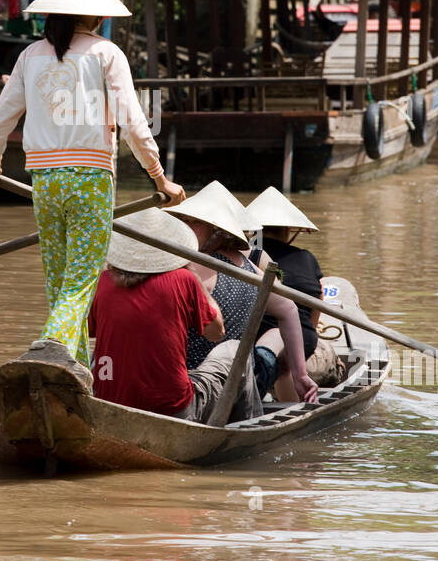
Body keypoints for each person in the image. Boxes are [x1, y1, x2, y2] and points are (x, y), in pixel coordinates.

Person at [0, 0, 185, 388]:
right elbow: (133, 121)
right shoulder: (107, 54)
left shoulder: (29, 55)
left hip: (45, 181)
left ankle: (73, 370)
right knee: (83, 277)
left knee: (58, 277)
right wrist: (159, 178)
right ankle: (51, 344)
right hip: (90, 177)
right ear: (96, 17)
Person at [88, 207, 262, 423]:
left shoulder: (103, 281)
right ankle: (249, 428)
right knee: (235, 348)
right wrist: (195, 276)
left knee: (99, 359)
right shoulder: (184, 279)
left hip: (110, 401)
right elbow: (217, 332)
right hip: (173, 408)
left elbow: (89, 329)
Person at [168, 181, 318, 405]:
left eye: (195, 223)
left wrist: (300, 375)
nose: (187, 228)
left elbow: (288, 309)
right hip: (243, 386)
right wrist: (301, 374)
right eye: (185, 221)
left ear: (218, 230)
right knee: (270, 342)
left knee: (270, 340)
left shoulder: (188, 268)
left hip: (203, 385)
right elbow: (288, 308)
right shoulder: (252, 269)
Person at [243, 186, 340, 393]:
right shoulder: (307, 258)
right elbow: (317, 304)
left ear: (254, 231)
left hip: (255, 338)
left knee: (279, 363)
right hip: (303, 339)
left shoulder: (248, 258)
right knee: (287, 368)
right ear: (288, 230)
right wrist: (311, 329)